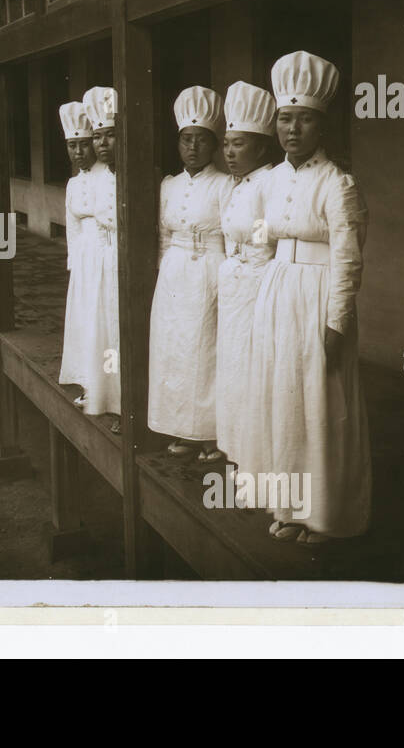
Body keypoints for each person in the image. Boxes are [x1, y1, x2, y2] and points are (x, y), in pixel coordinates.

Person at [251, 51, 370, 544]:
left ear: (320, 128)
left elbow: (348, 261)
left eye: (303, 120)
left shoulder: (338, 184)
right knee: (283, 398)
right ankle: (289, 506)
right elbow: (264, 238)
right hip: (279, 290)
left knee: (322, 401)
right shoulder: (272, 179)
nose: (292, 129)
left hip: (318, 295)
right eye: (285, 119)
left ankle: (328, 515)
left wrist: (335, 323)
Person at [148, 86, 234, 460]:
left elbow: (233, 239)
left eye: (201, 140)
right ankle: (180, 429)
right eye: (186, 139)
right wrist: (163, 270)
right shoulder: (169, 185)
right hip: (173, 274)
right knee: (175, 350)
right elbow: (164, 236)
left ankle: (210, 433)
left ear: (214, 145)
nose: (193, 147)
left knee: (206, 351)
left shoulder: (225, 184)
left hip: (210, 272)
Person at [213, 81, 278, 481]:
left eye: (239, 144)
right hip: (235, 286)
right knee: (233, 369)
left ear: (261, 147)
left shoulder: (269, 183)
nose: (230, 152)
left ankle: (257, 457)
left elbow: (265, 242)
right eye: (226, 143)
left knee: (256, 373)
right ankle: (236, 449)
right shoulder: (237, 185)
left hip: (259, 286)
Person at [80, 85, 120, 427]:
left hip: (128, 262)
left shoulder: (141, 174)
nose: (102, 144)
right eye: (97, 137)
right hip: (103, 258)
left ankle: (126, 403)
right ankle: (105, 394)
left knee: (123, 332)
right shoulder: (95, 178)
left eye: (109, 136)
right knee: (103, 327)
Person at [57, 100, 99, 406]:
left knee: (101, 321)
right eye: (72, 146)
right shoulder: (73, 184)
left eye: (84, 145)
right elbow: (72, 227)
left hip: (103, 254)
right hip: (84, 258)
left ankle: (104, 385)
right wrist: (74, 262)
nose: (78, 153)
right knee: (84, 319)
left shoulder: (106, 177)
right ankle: (86, 381)